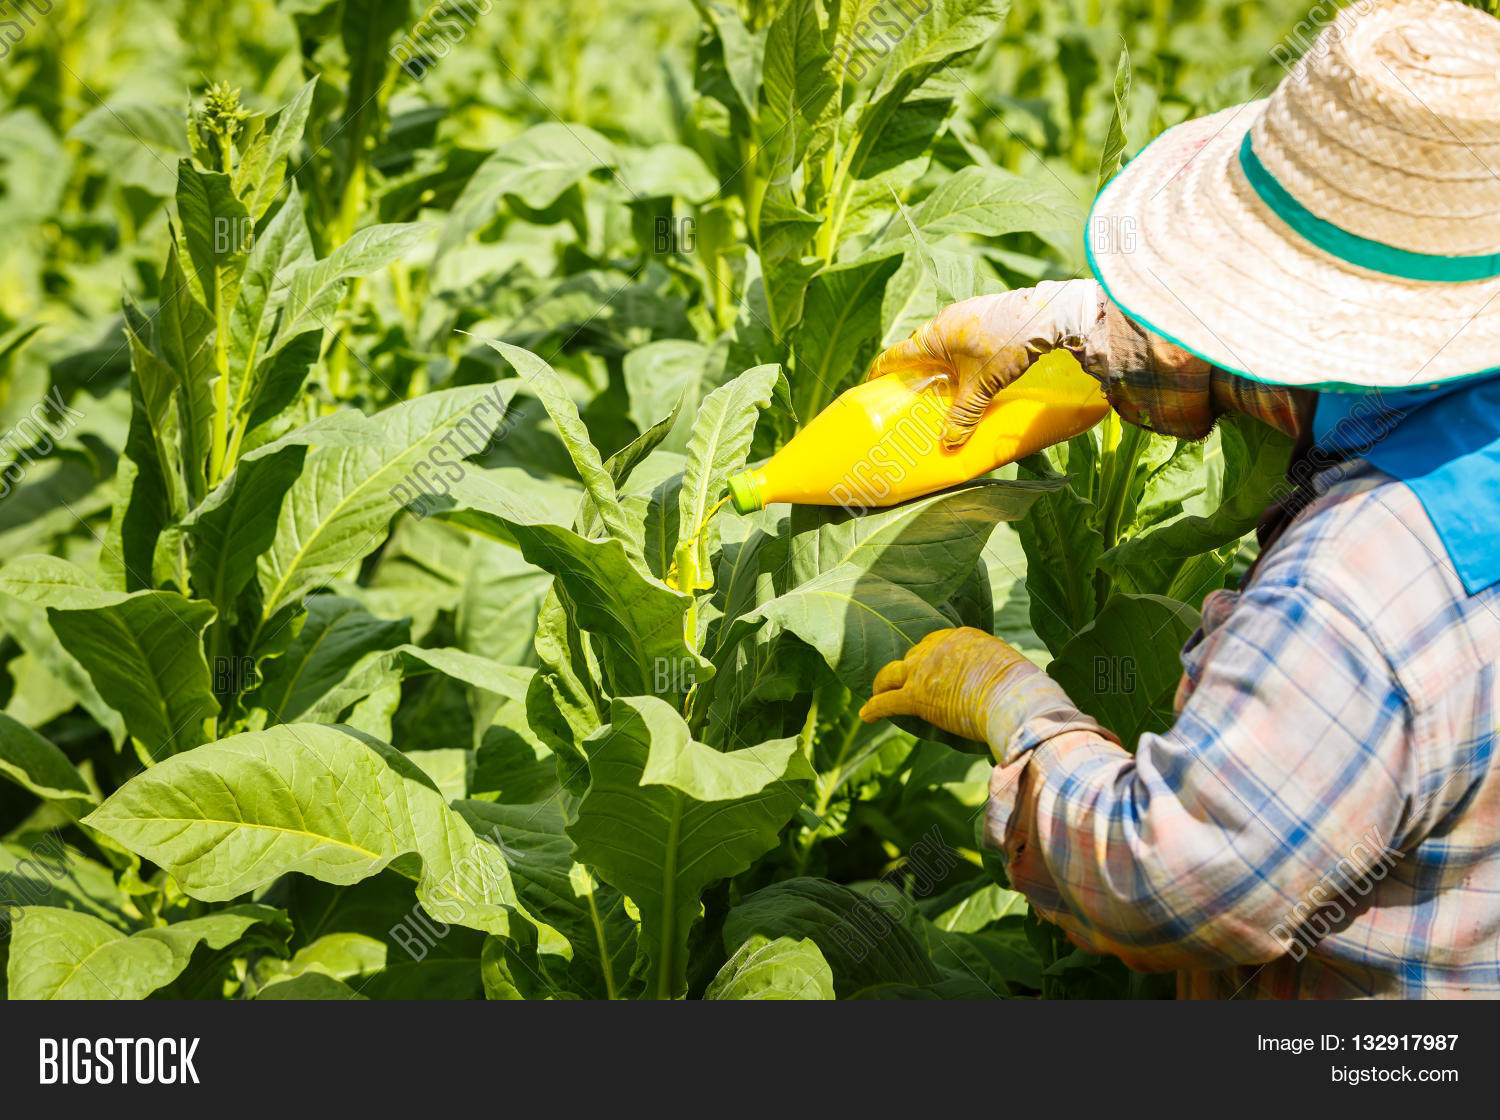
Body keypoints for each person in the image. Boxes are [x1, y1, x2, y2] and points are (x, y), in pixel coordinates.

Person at [858, 0, 1500, 998]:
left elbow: (1169, 880)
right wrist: (1072, 326)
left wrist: (1018, 710)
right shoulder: (1448, 403)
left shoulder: (1359, 588)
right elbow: (1319, 377)